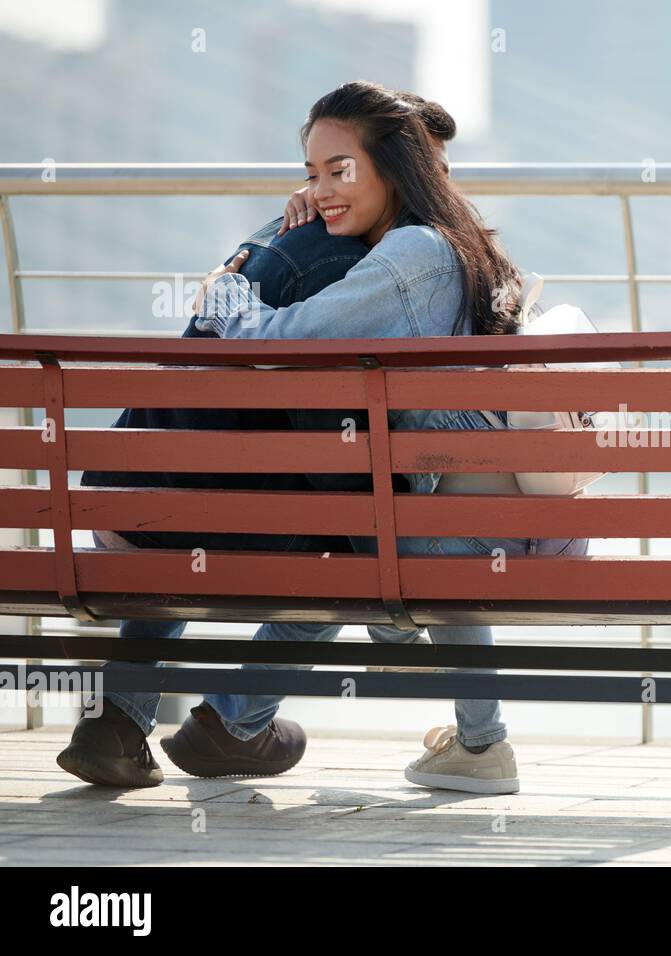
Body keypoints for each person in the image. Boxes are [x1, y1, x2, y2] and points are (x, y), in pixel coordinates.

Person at [57, 82, 581, 794]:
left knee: (330, 523)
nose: (323, 187)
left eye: (341, 170)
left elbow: (279, 342)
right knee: (333, 509)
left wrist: (234, 283)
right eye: (311, 174)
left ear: (395, 168)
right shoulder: (445, 247)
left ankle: (187, 718)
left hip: (429, 537)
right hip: (453, 521)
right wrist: (287, 227)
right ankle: (233, 722)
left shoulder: (413, 257)